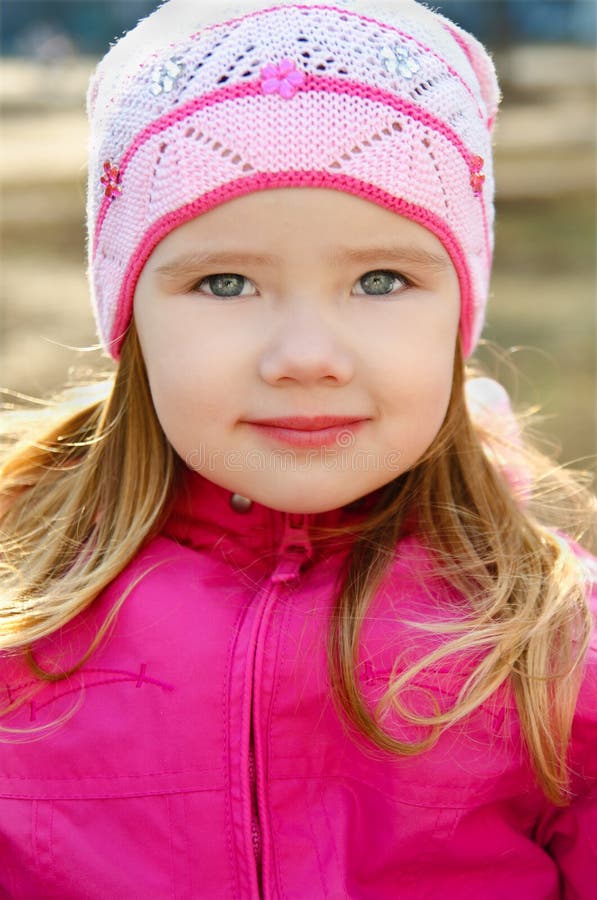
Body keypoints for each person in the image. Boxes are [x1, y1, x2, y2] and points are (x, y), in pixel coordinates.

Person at [0, 0, 595, 895]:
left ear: (457, 315)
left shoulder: (550, 646)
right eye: (226, 282)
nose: (307, 357)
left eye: (381, 279)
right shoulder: (22, 619)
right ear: (130, 320)